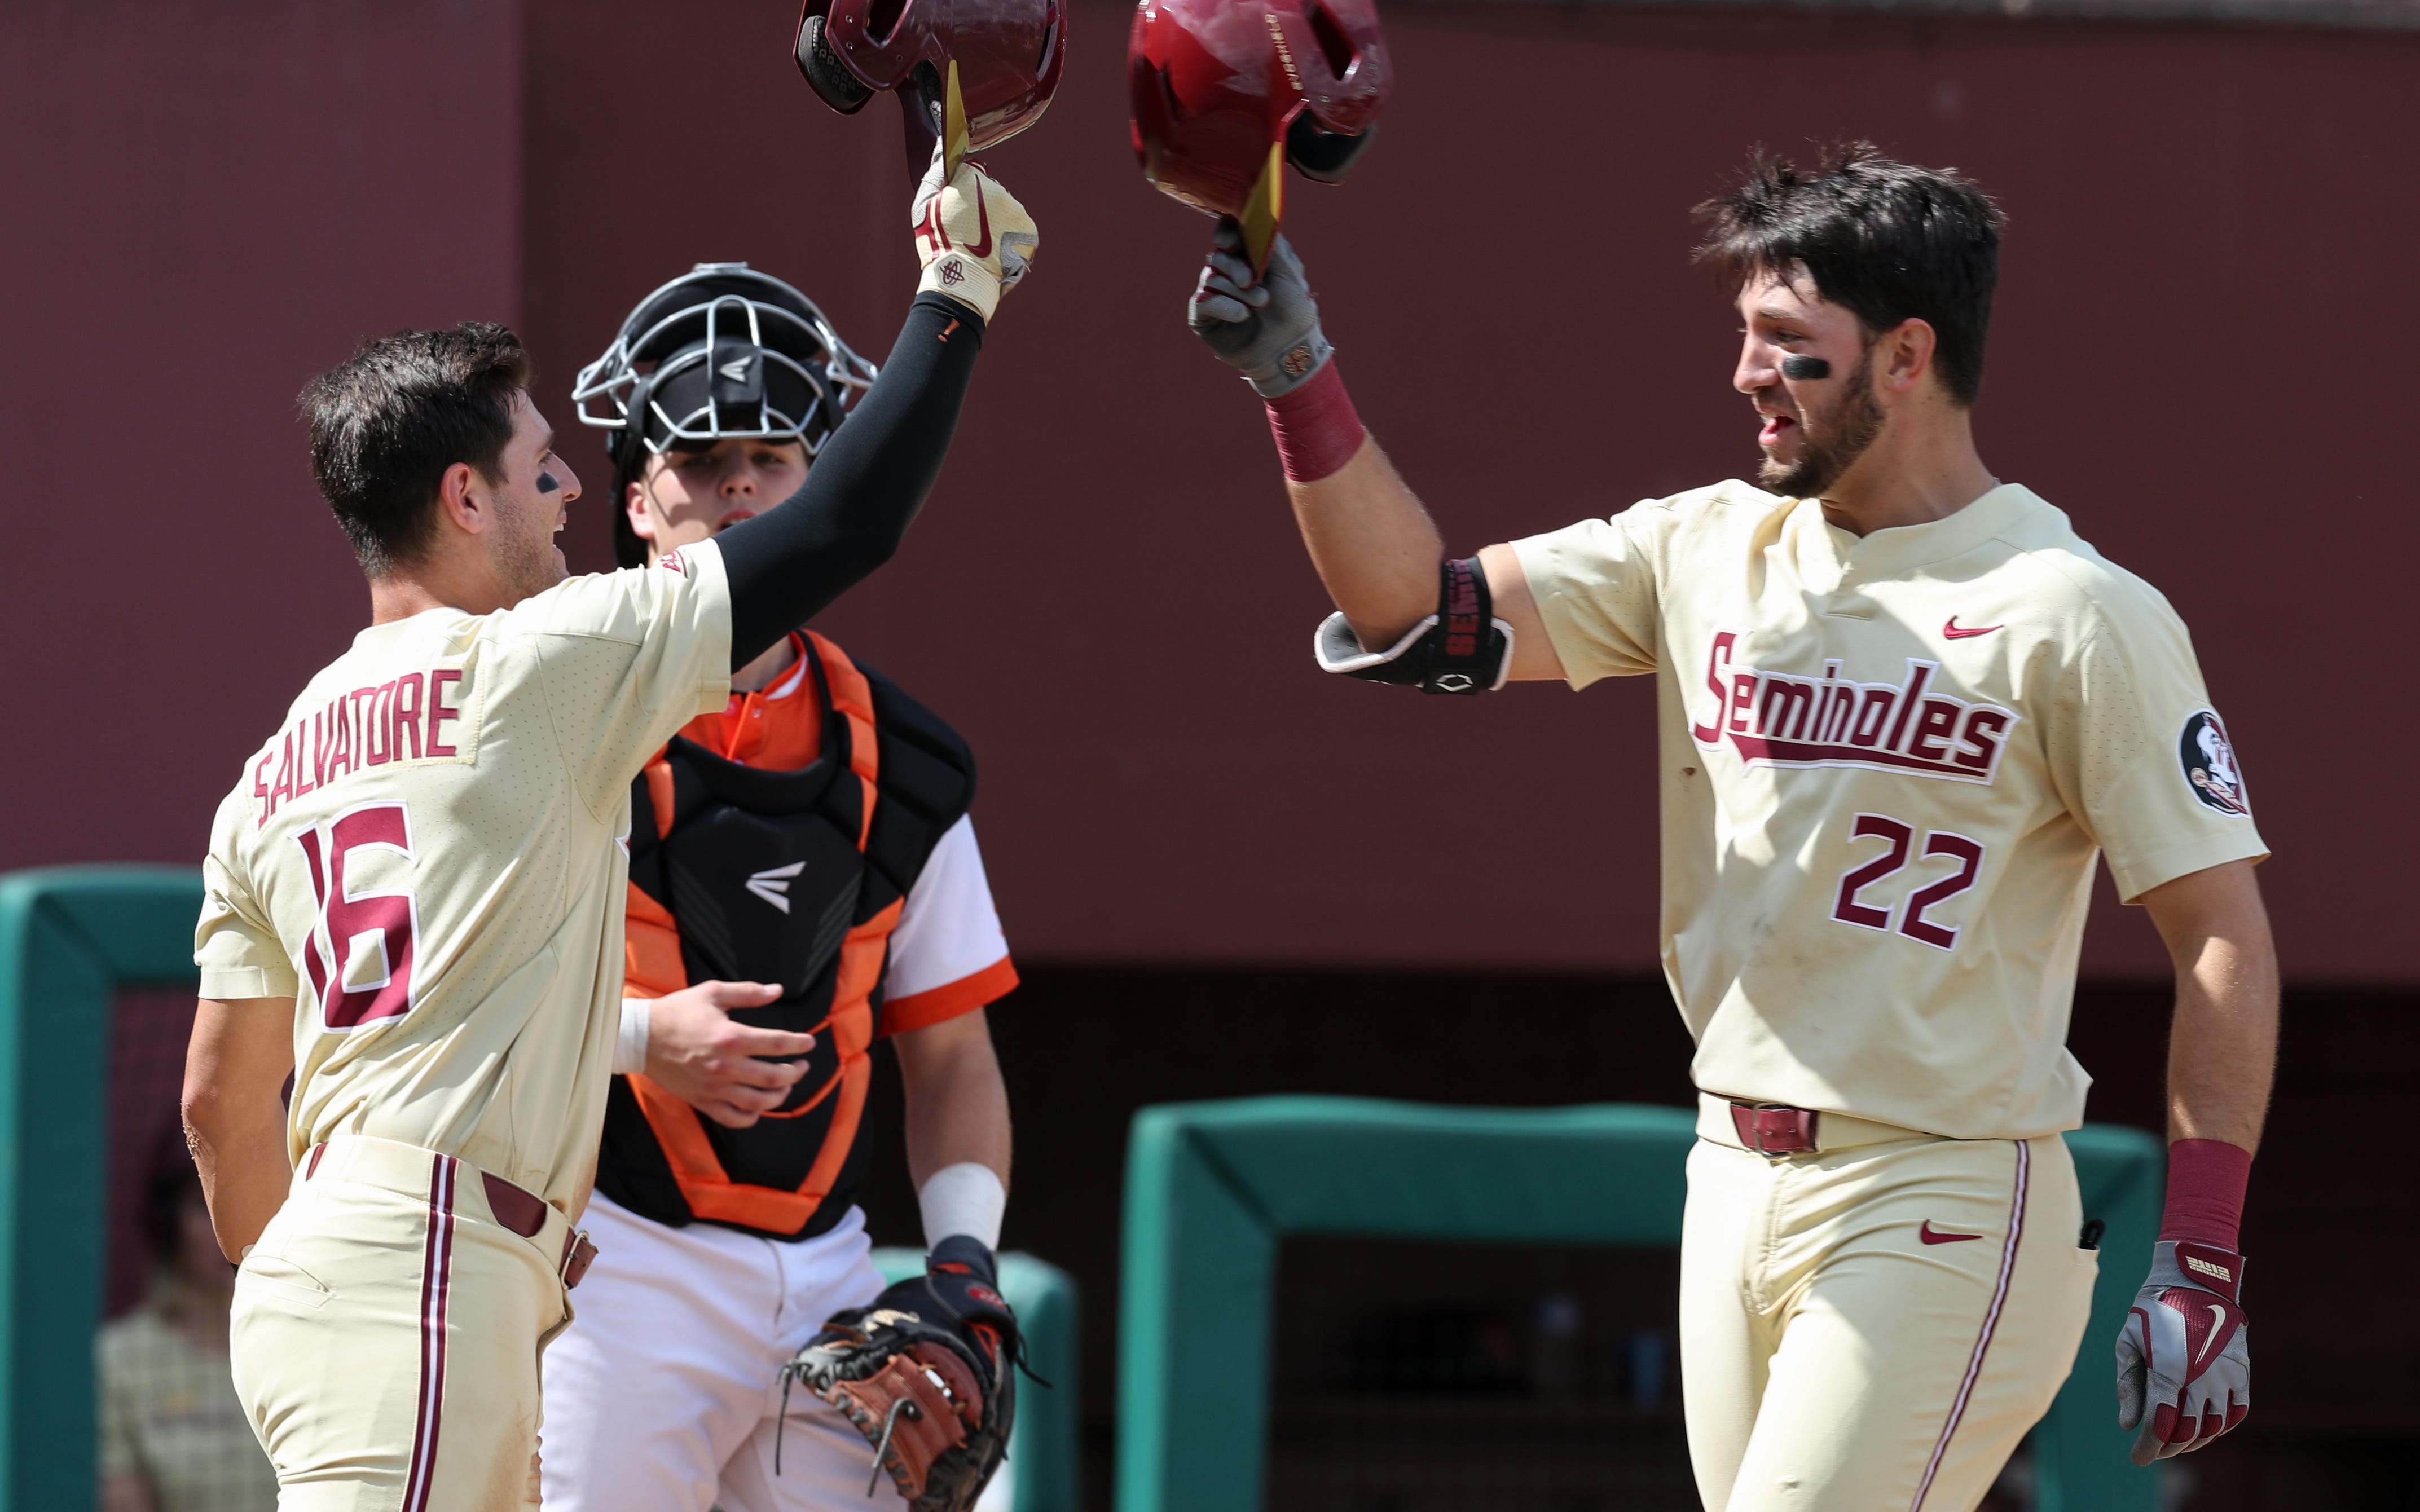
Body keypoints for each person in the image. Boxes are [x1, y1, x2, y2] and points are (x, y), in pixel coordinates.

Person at [1183, 144, 2275, 1510]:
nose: (1745, 372)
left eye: (1782, 340)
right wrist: (1295, 377)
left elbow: (2219, 933)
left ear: (1903, 355)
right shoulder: (1701, 545)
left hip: (1937, 1193)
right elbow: (1414, 615)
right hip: (1727, 1177)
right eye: (1742, 335)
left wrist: (2200, 1253)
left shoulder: (2076, 609)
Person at [180, 153, 1036, 1511]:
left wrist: (294, 1271)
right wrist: (958, 289)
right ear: (466, 499)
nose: (568, 489)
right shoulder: (545, 666)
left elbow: (217, 1099)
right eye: (539, 470)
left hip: (375, 1252)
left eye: (771, 458)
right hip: (488, 1246)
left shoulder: (270, 765)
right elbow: (850, 523)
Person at [534, 263, 1019, 1512]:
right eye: (699, 460)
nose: (738, 485)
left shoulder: (903, 759)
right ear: (640, 502)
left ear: (819, 483)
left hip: (834, 1281)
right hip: (606, 1261)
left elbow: (954, 1055)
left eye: (770, 454)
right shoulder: (550, 708)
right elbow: (449, 1002)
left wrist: (965, 1263)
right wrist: (641, 1039)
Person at [100, 1160, 278, 1512]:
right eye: (205, 1206)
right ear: (169, 1227)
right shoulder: (119, 1359)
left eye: (249, 1202)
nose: (230, 1224)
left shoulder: (310, 1346)